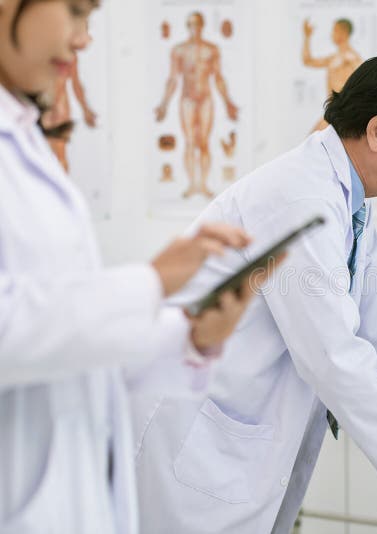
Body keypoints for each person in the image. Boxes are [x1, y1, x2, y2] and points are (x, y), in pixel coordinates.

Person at [133, 55, 377, 534]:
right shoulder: (299, 197)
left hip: (235, 435)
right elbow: (331, 351)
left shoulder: (348, 200)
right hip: (196, 439)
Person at [0, 1, 275, 532]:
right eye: (75, 12)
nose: (83, 39)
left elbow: (72, 344)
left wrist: (190, 335)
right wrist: (152, 282)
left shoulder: (26, 136)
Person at [155, 11, 238, 199]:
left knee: (204, 143)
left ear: (202, 25)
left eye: (198, 24)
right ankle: (193, 184)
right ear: (187, 26)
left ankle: (203, 184)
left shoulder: (212, 49)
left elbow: (218, 78)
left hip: (206, 99)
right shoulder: (179, 50)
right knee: (190, 142)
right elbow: (173, 79)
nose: (195, 28)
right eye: (191, 24)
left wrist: (228, 103)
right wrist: (163, 105)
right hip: (187, 100)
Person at [302, 17, 362, 131]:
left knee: (314, 141)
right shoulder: (333, 59)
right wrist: (307, 37)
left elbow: (363, 83)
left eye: (334, 30)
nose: (331, 34)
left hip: (343, 114)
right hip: (333, 113)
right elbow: (307, 60)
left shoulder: (352, 59)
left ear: (343, 33)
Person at [39, 54, 96, 171]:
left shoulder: (69, 55)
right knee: (43, 154)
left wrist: (85, 109)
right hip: (44, 107)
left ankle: (58, 187)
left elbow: (76, 84)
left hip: (59, 108)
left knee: (59, 153)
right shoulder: (39, 49)